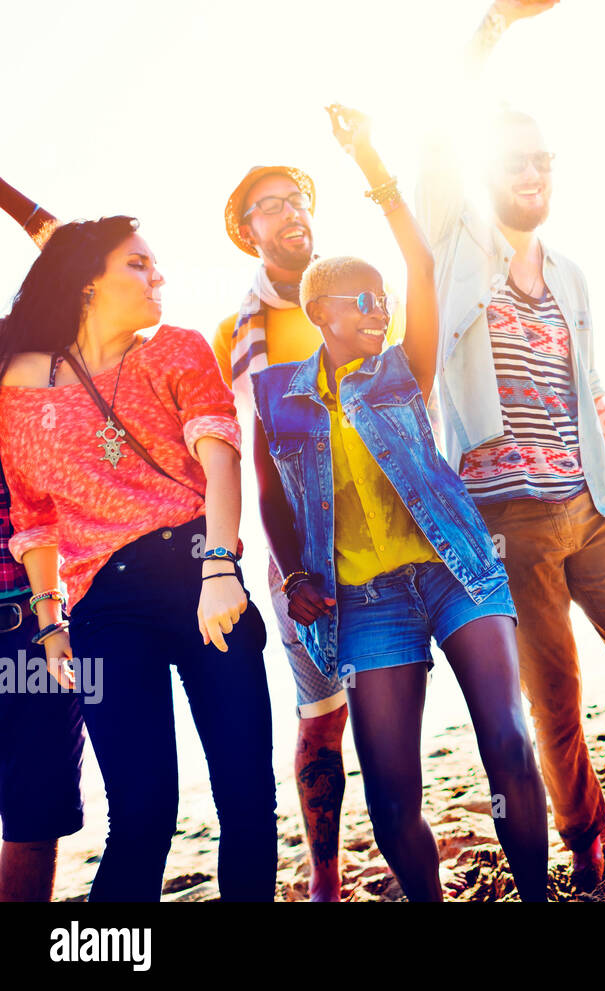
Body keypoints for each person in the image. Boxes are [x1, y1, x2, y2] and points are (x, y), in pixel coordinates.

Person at [415, 0, 605, 888]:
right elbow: (437, 141)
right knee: (557, 696)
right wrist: (490, 28)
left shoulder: (570, 273)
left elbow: (592, 389)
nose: (531, 174)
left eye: (543, 161)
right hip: (510, 521)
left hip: (590, 506)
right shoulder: (457, 251)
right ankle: (586, 848)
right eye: (513, 163)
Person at [253, 105, 549, 902]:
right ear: (320, 312)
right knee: (390, 801)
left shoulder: (402, 371)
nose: (380, 310)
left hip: (458, 569)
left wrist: (369, 159)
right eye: (361, 300)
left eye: (382, 298)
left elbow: (419, 265)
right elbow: (272, 498)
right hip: (367, 603)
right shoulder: (277, 395)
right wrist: (291, 574)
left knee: (508, 743)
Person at [0, 216, 276, 902]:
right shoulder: (22, 384)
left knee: (246, 795)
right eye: (138, 264)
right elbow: (34, 517)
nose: (157, 277)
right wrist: (51, 623)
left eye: (157, 266)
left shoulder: (176, 349)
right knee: (143, 814)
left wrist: (218, 567)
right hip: (105, 611)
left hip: (199, 575)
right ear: (89, 279)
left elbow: (220, 457)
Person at [213, 162, 372, 902]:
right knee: (322, 714)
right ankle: (326, 876)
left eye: (297, 200)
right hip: (294, 550)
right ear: (249, 232)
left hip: (377, 535)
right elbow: (231, 446)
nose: (289, 214)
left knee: (389, 697)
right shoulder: (232, 333)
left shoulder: (356, 293)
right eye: (269, 208)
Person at [0, 176, 85, 902]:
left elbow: (74, 253)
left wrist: (5, 194)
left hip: (32, 627)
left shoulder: (14, 353)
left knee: (35, 820)